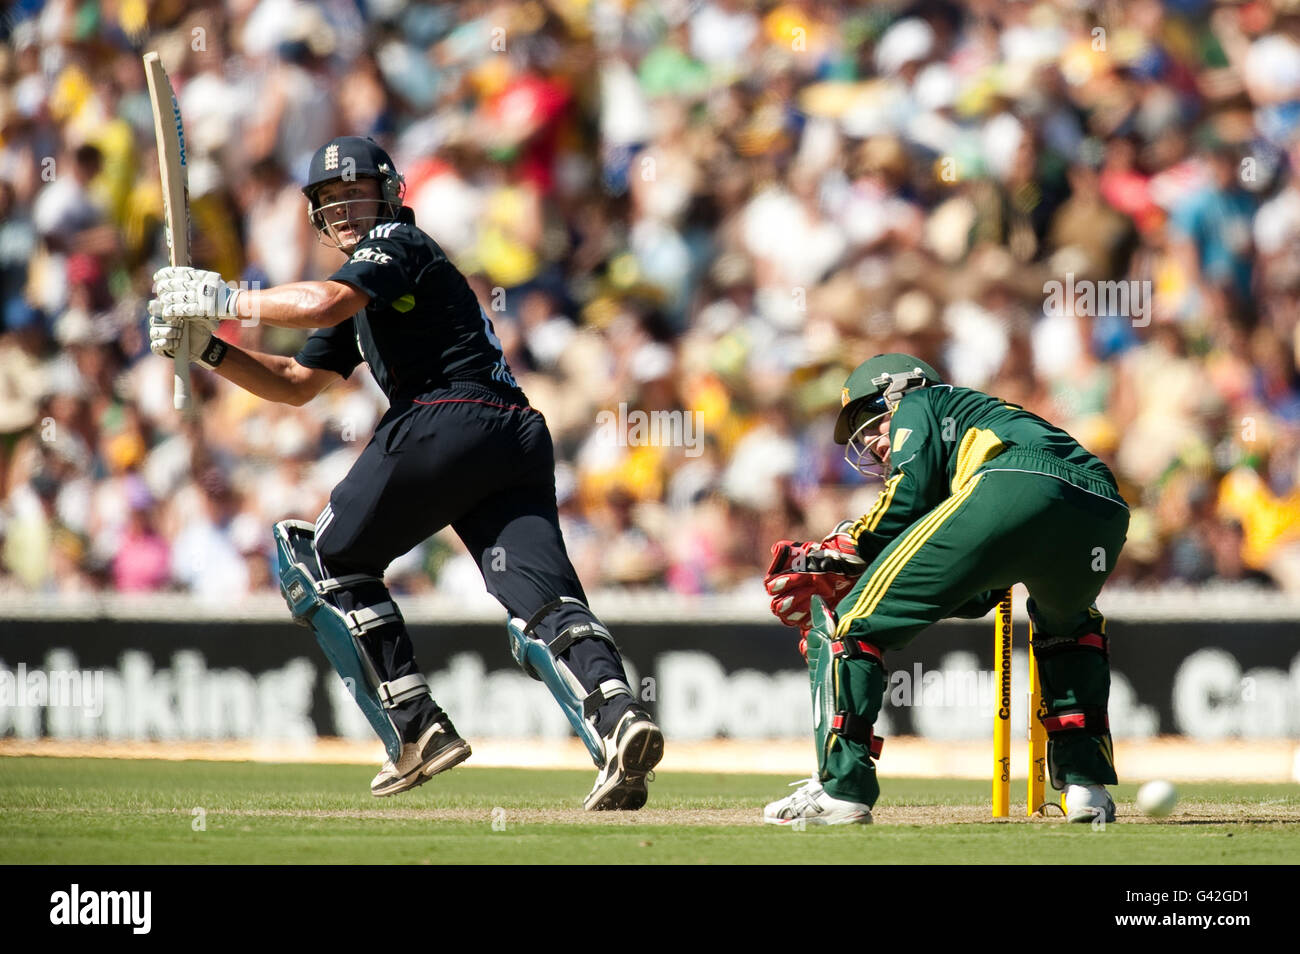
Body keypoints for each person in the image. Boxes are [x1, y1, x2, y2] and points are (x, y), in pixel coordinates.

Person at [147, 136, 663, 810]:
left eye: (355, 191)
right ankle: (617, 720)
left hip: (449, 416)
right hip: (512, 439)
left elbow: (320, 304)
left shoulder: (396, 243)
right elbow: (296, 381)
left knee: (321, 560)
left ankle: (416, 731)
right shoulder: (358, 289)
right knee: (542, 601)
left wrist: (225, 298)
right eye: (330, 201)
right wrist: (209, 349)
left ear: (389, 193)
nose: (344, 209)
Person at [762, 353, 1129, 825]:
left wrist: (842, 548)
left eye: (870, 420)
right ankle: (1086, 789)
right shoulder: (983, 420)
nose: (871, 442)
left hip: (1013, 484)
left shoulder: (922, 402)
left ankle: (842, 789)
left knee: (852, 621)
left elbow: (908, 496)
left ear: (898, 391)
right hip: (1102, 507)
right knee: (1070, 628)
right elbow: (976, 594)